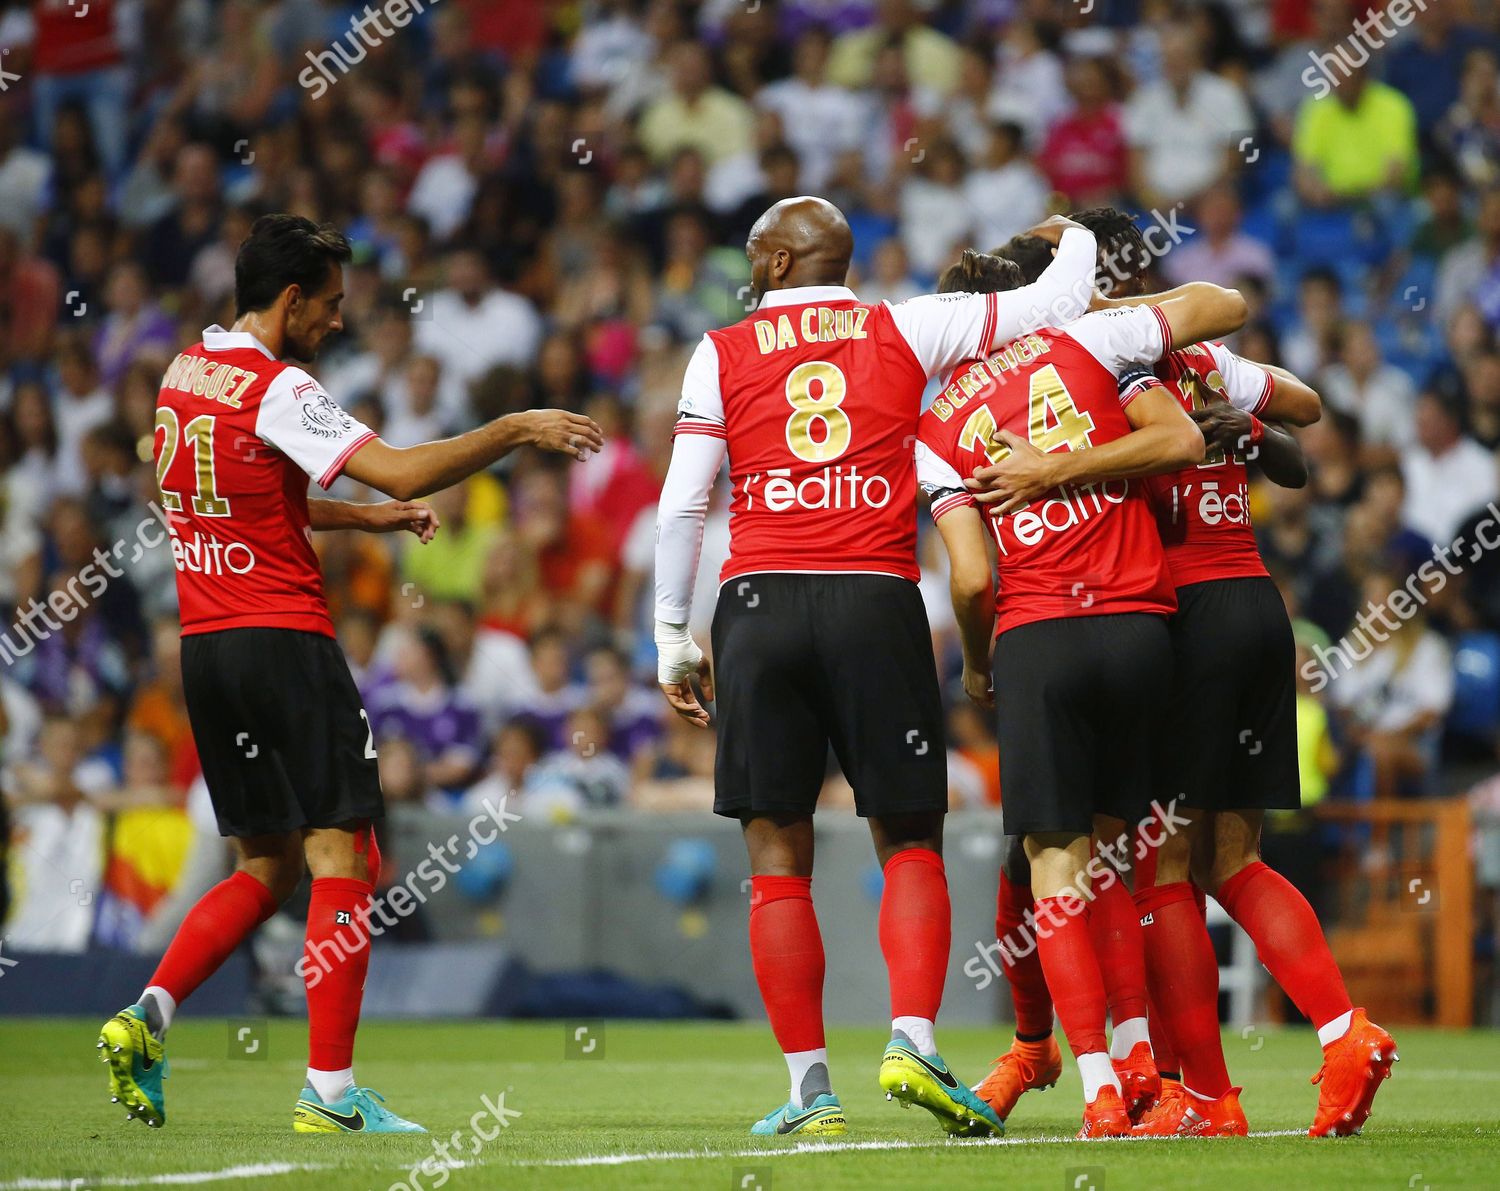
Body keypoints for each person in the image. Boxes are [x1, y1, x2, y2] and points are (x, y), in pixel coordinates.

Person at [100, 214, 602, 1134]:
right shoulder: (278, 385)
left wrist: (364, 524)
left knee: (265, 860)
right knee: (347, 857)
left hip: (206, 651)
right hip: (286, 641)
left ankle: (148, 1015)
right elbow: (402, 466)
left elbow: (248, 497)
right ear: (289, 301)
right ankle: (330, 1092)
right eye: (328, 306)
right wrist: (517, 425)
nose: (337, 322)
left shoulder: (183, 374)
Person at [653, 195, 1100, 1138]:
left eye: (751, 249)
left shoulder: (718, 350)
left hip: (760, 605)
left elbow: (684, 506)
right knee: (910, 840)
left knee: (777, 859)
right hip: (876, 598)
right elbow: (1059, 301)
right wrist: (1076, 235)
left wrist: (669, 635)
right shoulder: (909, 325)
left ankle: (811, 1091)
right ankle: (911, 1038)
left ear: (776, 264)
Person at [974, 209, 1396, 1139]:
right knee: (1231, 857)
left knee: (1160, 868)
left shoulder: (1088, 361)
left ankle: (1206, 1094)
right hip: (1255, 603)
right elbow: (1304, 411)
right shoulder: (1198, 358)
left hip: (1184, 617)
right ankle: (1341, 1029)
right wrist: (1234, 420)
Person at [917, 251, 1247, 1137]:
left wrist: (980, 665)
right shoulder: (1095, 341)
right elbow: (1201, 404)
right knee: (1126, 863)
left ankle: (1101, 1079)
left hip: (1037, 639)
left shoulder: (937, 424)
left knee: (1050, 868)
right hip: (1142, 629)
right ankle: (1148, 1066)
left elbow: (975, 578)